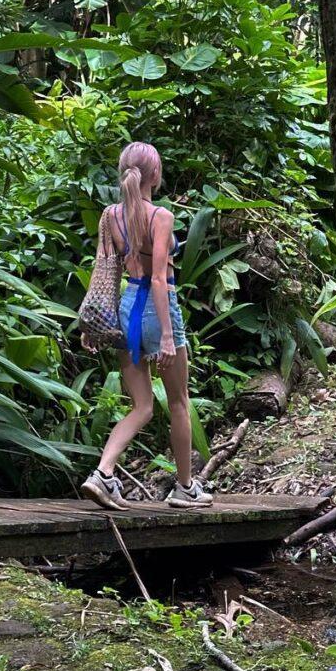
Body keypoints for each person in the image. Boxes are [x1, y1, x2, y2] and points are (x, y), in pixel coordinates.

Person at [80, 141, 214, 511]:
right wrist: (169, 337)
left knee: (141, 406)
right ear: (154, 174)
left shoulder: (111, 215)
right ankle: (185, 489)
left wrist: (92, 323)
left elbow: (104, 270)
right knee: (178, 403)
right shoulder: (161, 217)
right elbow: (158, 279)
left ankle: (103, 473)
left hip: (126, 310)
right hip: (159, 310)